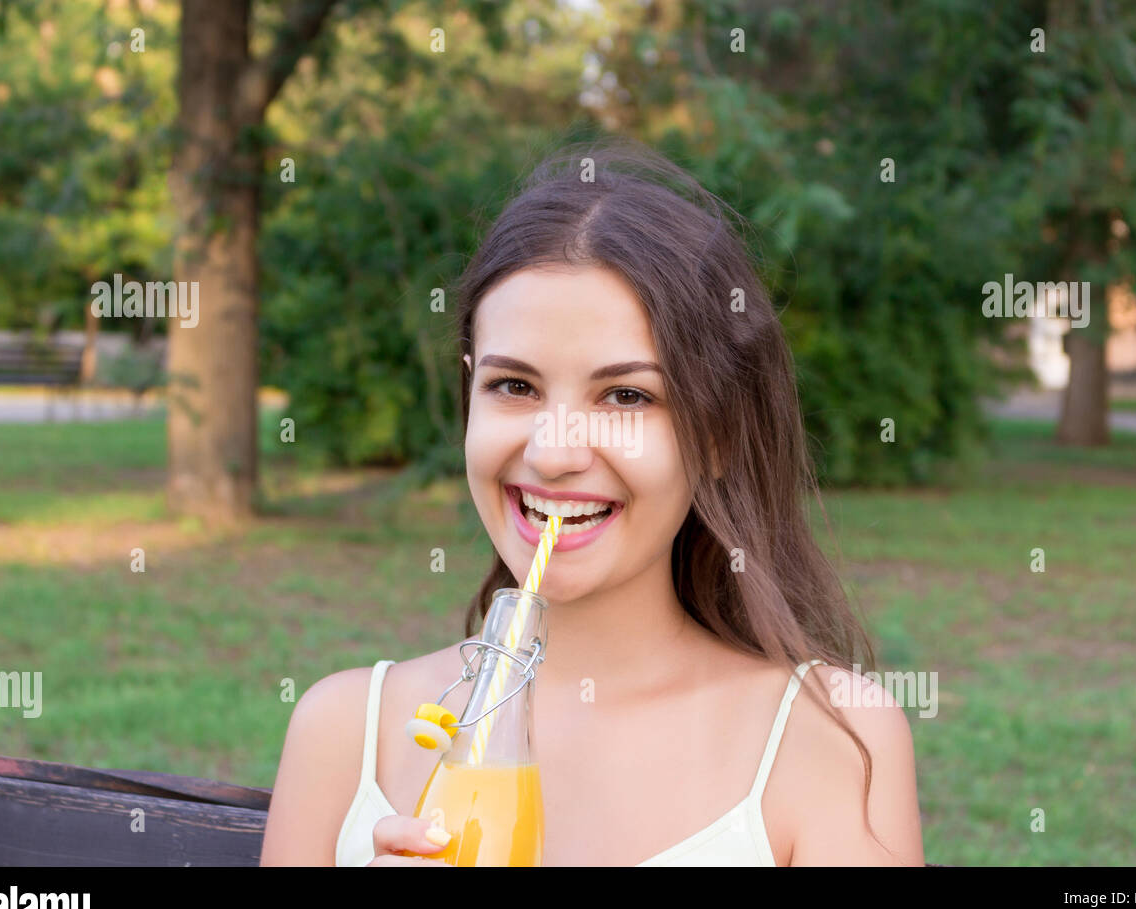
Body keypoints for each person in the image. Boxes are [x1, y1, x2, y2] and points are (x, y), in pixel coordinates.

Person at [260, 136, 924, 866]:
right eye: (514, 385)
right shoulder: (345, 730)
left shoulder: (828, 739)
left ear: (719, 434)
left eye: (627, 396)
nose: (553, 451)